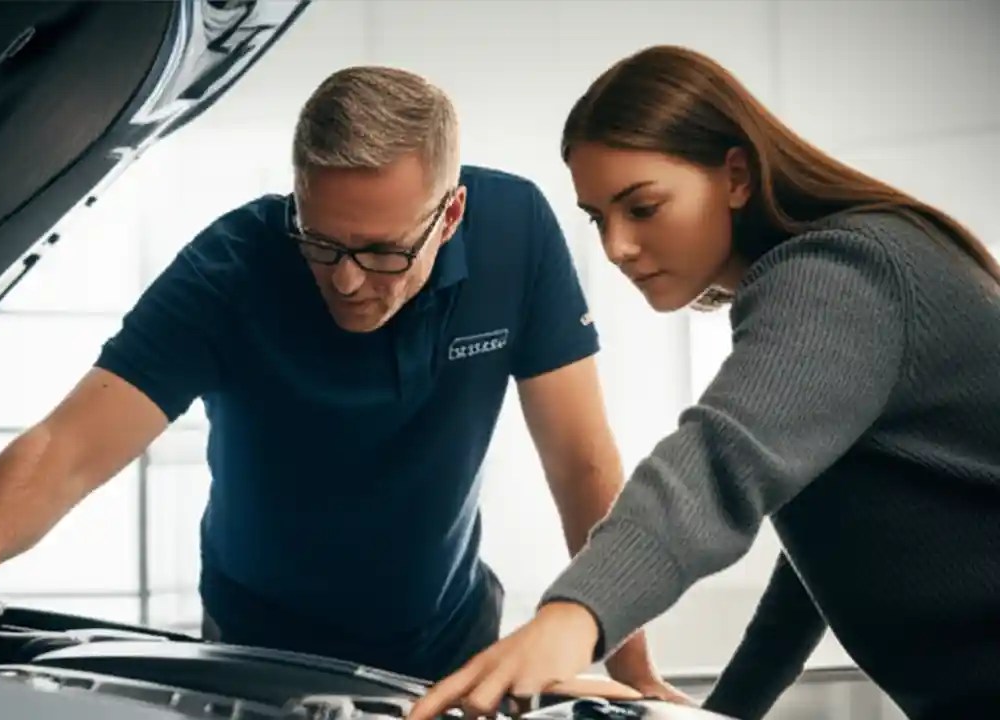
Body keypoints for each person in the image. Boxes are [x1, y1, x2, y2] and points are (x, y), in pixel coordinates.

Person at [0, 64, 685, 700]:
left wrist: (633, 663)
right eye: (321, 241)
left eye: (383, 252)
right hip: (256, 640)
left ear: (452, 213)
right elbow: (70, 446)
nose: (348, 281)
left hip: (448, 636)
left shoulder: (518, 233)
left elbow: (581, 463)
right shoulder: (229, 269)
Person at [407, 44, 1000, 720]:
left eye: (644, 207)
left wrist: (570, 619)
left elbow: (720, 463)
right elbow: (828, 544)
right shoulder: (840, 287)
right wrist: (730, 710)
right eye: (599, 217)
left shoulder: (843, 273)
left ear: (737, 176)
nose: (616, 248)